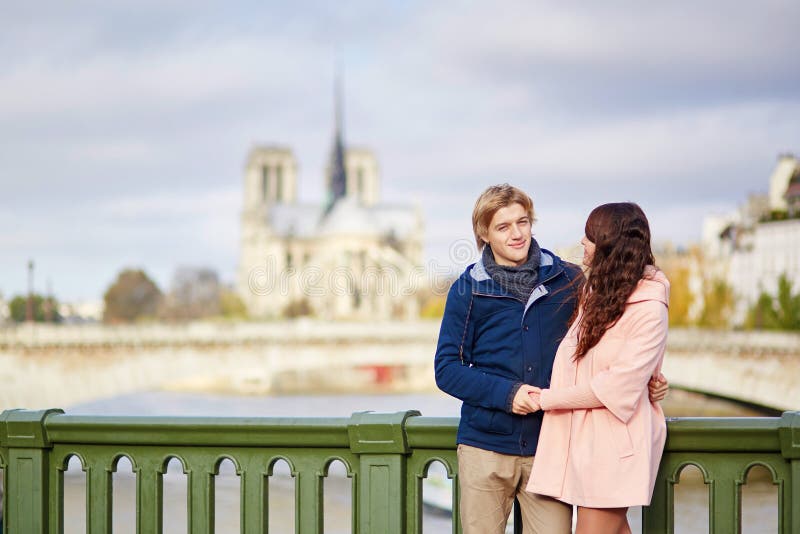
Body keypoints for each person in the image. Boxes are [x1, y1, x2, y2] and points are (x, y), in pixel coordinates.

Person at [434, 186, 668, 534]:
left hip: (552, 447)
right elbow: (446, 370)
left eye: (523, 222)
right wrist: (508, 395)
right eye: (503, 227)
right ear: (483, 234)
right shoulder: (467, 289)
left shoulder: (570, 280)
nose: (517, 234)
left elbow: (606, 341)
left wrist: (647, 375)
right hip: (485, 446)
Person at [526, 202, 669, 534]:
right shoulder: (596, 295)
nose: (582, 242)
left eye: (590, 237)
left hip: (614, 451)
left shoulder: (649, 309)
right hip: (584, 448)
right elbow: (586, 366)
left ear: (608, 245)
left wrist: (546, 399)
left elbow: (617, 386)